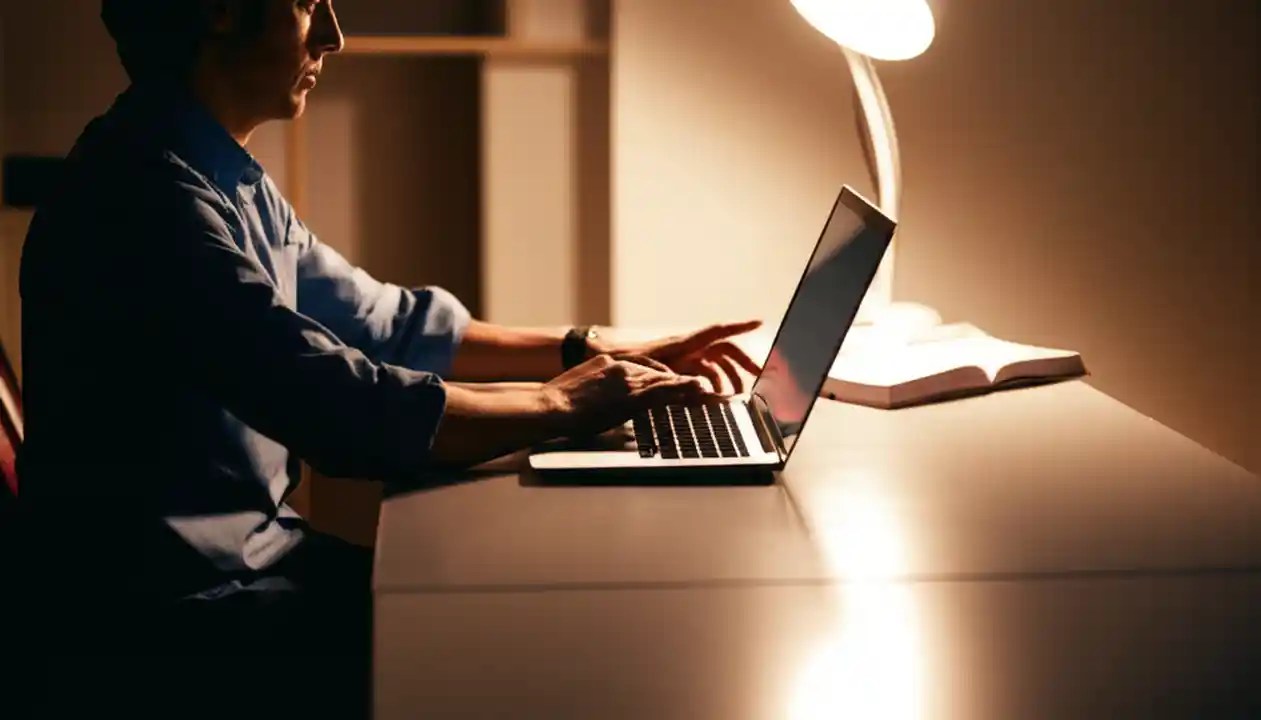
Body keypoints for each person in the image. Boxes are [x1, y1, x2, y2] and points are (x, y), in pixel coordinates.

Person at [15, 0, 762, 714]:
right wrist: (561, 404)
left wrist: (586, 347)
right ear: (218, 9)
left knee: (522, 599)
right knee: (529, 645)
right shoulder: (149, 199)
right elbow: (338, 405)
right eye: (311, 4)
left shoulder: (215, 172)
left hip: (247, 571)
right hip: (173, 628)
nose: (334, 37)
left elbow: (386, 323)